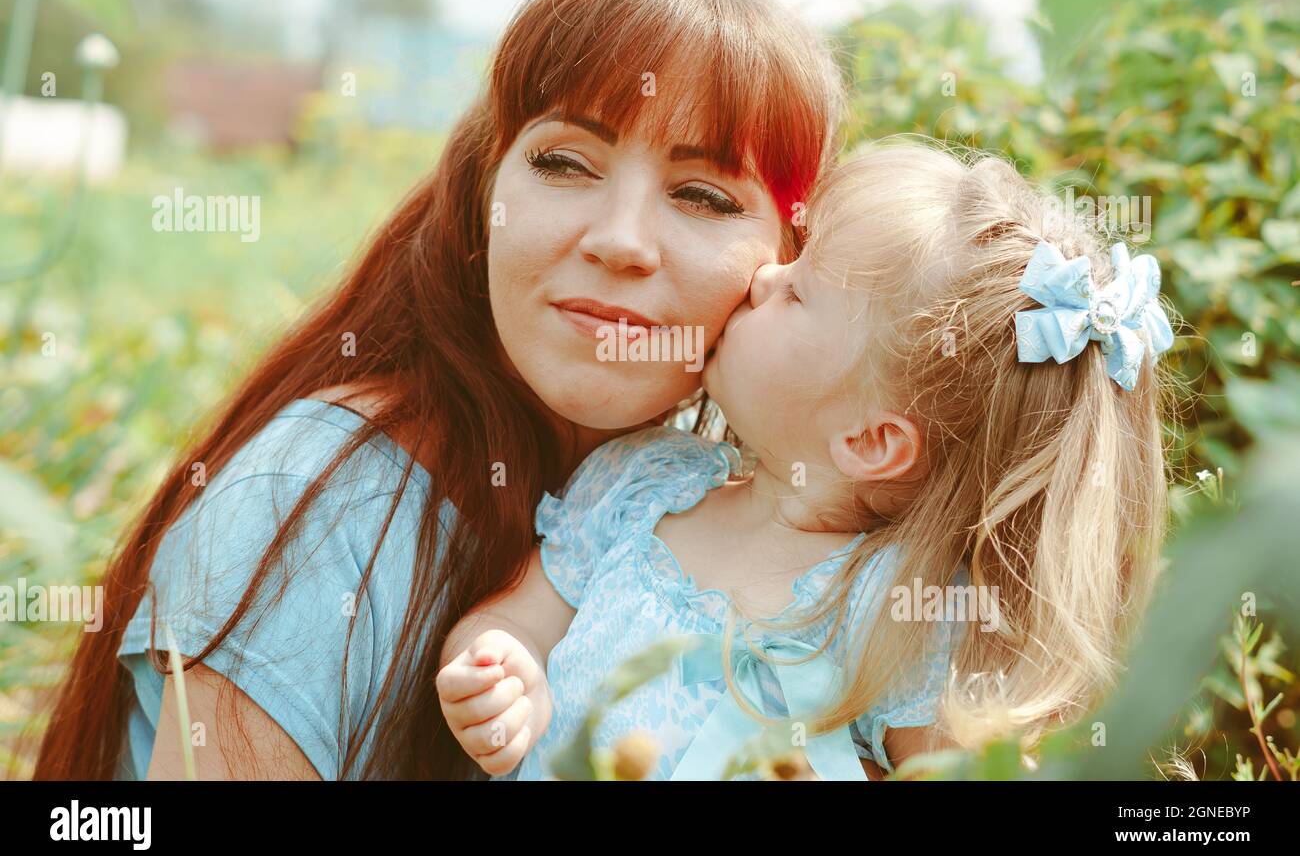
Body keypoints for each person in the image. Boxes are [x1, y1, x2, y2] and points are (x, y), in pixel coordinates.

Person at [32, 0, 844, 780]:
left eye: (704, 196)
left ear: (791, 263)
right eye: (565, 162)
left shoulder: (706, 512)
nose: (621, 240)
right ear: (484, 187)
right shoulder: (320, 503)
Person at [437, 138, 1174, 780]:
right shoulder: (643, 485)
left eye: (797, 292)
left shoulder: (895, 608)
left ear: (869, 441)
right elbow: (523, 616)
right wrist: (502, 665)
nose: (763, 278)